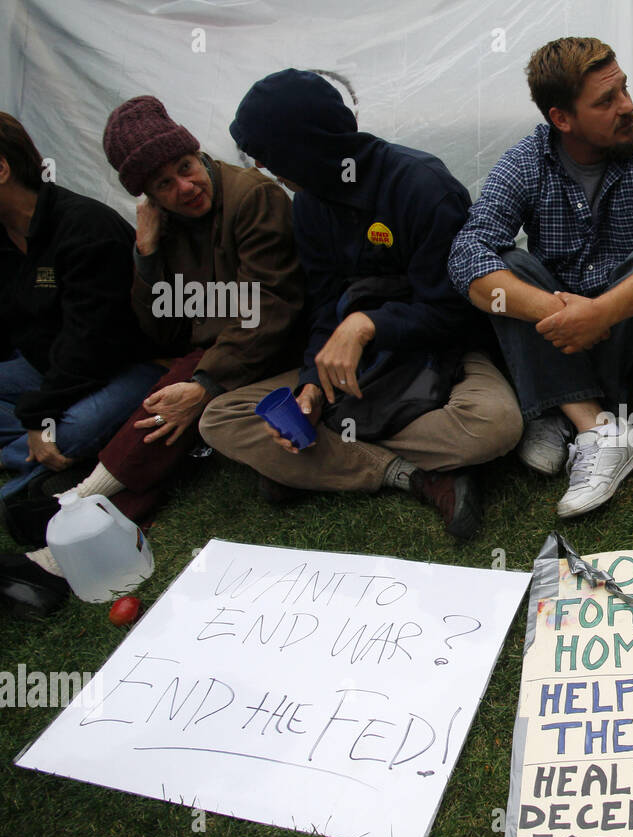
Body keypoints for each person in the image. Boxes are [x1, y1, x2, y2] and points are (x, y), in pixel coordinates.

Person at [0, 95, 305, 616]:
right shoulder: (163, 223)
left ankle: (71, 513)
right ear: (149, 194)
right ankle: (72, 525)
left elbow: (272, 311)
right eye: (163, 183)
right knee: (175, 396)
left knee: (177, 393)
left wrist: (205, 383)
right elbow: (161, 331)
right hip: (210, 352)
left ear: (196, 153)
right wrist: (145, 257)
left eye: (185, 168)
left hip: (275, 344)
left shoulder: (253, 196)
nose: (184, 188)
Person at [201, 69, 521, 542]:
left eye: (271, 156)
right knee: (220, 419)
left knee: (496, 427)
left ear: (307, 144)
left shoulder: (421, 186)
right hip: (353, 371)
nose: (268, 171)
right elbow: (323, 309)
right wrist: (311, 384)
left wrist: (367, 324)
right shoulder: (309, 205)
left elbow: (455, 311)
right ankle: (414, 475)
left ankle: (314, 461)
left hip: (440, 353)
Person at [448, 36, 633, 517]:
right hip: (563, 327)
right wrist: (555, 312)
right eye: (606, 101)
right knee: (505, 267)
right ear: (562, 119)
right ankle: (596, 426)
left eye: (624, 90)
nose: (627, 106)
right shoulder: (527, 161)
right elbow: (467, 251)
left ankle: (556, 406)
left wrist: (601, 312)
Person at [0, 112, 160, 504]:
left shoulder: (85, 229)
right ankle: (47, 455)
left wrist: (40, 414)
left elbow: (91, 344)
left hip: (126, 366)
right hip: (52, 369)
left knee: (68, 430)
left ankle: (49, 452)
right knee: (50, 424)